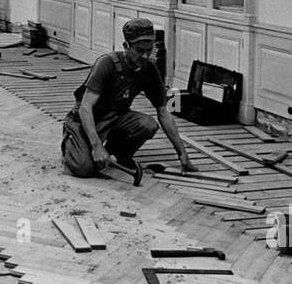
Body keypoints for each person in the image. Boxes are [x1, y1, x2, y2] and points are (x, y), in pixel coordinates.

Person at [62, 17, 197, 181]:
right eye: (140, 51)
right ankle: (74, 143)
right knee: (84, 168)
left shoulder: (149, 69)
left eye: (150, 50)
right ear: (126, 46)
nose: (146, 56)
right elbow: (85, 108)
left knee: (147, 125)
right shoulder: (106, 64)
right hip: (85, 121)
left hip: (116, 118)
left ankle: (116, 154)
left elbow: (163, 112)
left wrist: (182, 153)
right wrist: (96, 146)